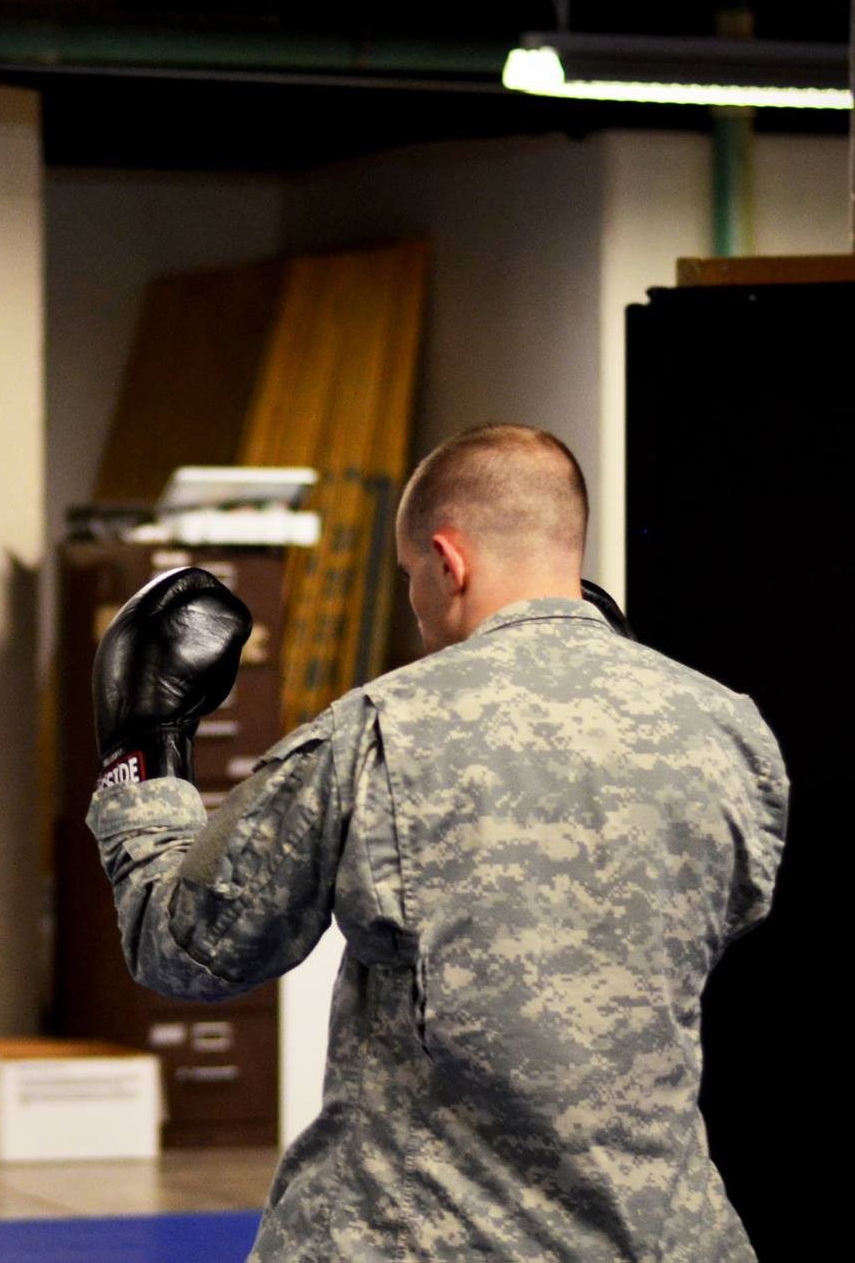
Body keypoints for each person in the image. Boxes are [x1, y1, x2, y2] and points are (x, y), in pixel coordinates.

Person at [87, 423, 787, 1261]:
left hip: (416, 1239)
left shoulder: (379, 731)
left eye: (412, 575)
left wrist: (143, 750)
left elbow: (185, 945)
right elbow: (729, 919)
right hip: (664, 1239)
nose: (417, 602)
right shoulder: (728, 731)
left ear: (448, 562)